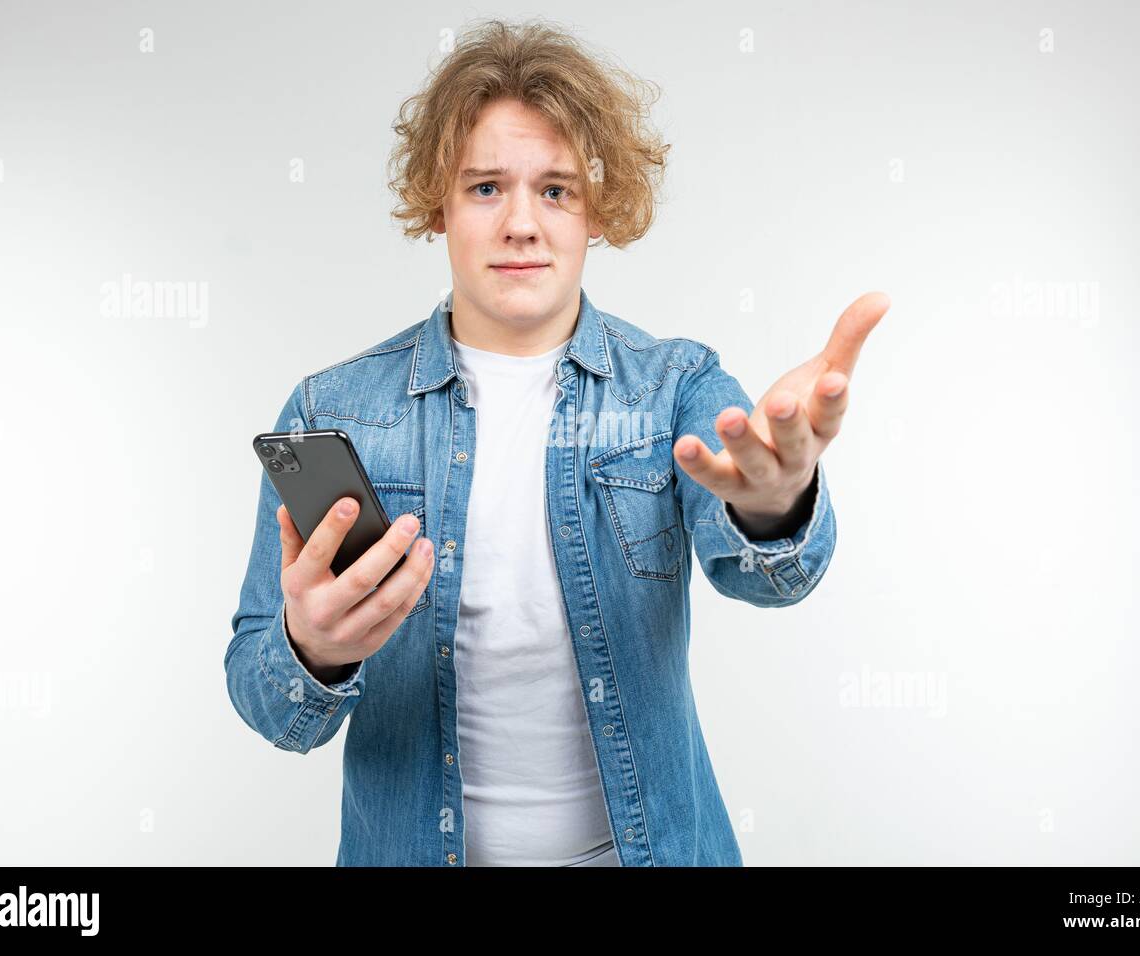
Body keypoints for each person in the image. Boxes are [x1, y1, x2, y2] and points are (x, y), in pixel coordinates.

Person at [225, 18, 888, 866]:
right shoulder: (332, 411)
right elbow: (263, 696)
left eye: (557, 190)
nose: (522, 225)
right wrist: (311, 650)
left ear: (597, 212)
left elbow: (770, 579)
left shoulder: (676, 388)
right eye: (486, 188)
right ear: (440, 203)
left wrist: (776, 506)